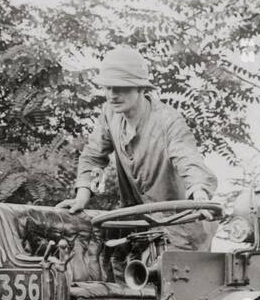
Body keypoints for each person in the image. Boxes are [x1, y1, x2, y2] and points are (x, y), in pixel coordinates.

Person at [58, 45, 219, 251]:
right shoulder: (110, 114)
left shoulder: (167, 120)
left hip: (183, 230)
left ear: (141, 88)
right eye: (108, 88)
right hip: (142, 228)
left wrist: (199, 194)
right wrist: (82, 196)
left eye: (121, 87)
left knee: (167, 278)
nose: (112, 95)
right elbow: (93, 156)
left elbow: (188, 160)